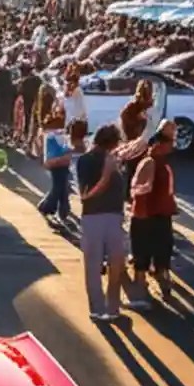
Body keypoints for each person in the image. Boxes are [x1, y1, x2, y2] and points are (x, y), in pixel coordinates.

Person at [77, 124, 129, 322]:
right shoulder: (87, 161)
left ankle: (112, 306)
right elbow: (85, 195)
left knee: (117, 261)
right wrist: (107, 175)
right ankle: (98, 309)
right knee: (94, 263)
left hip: (114, 215)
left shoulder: (113, 160)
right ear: (111, 143)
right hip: (94, 216)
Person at [129, 121, 179, 301]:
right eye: (170, 141)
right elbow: (138, 188)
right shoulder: (149, 162)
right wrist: (144, 189)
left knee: (162, 249)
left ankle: (159, 277)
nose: (172, 146)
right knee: (144, 251)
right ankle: (141, 287)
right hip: (146, 215)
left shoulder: (161, 162)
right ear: (159, 144)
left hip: (160, 214)